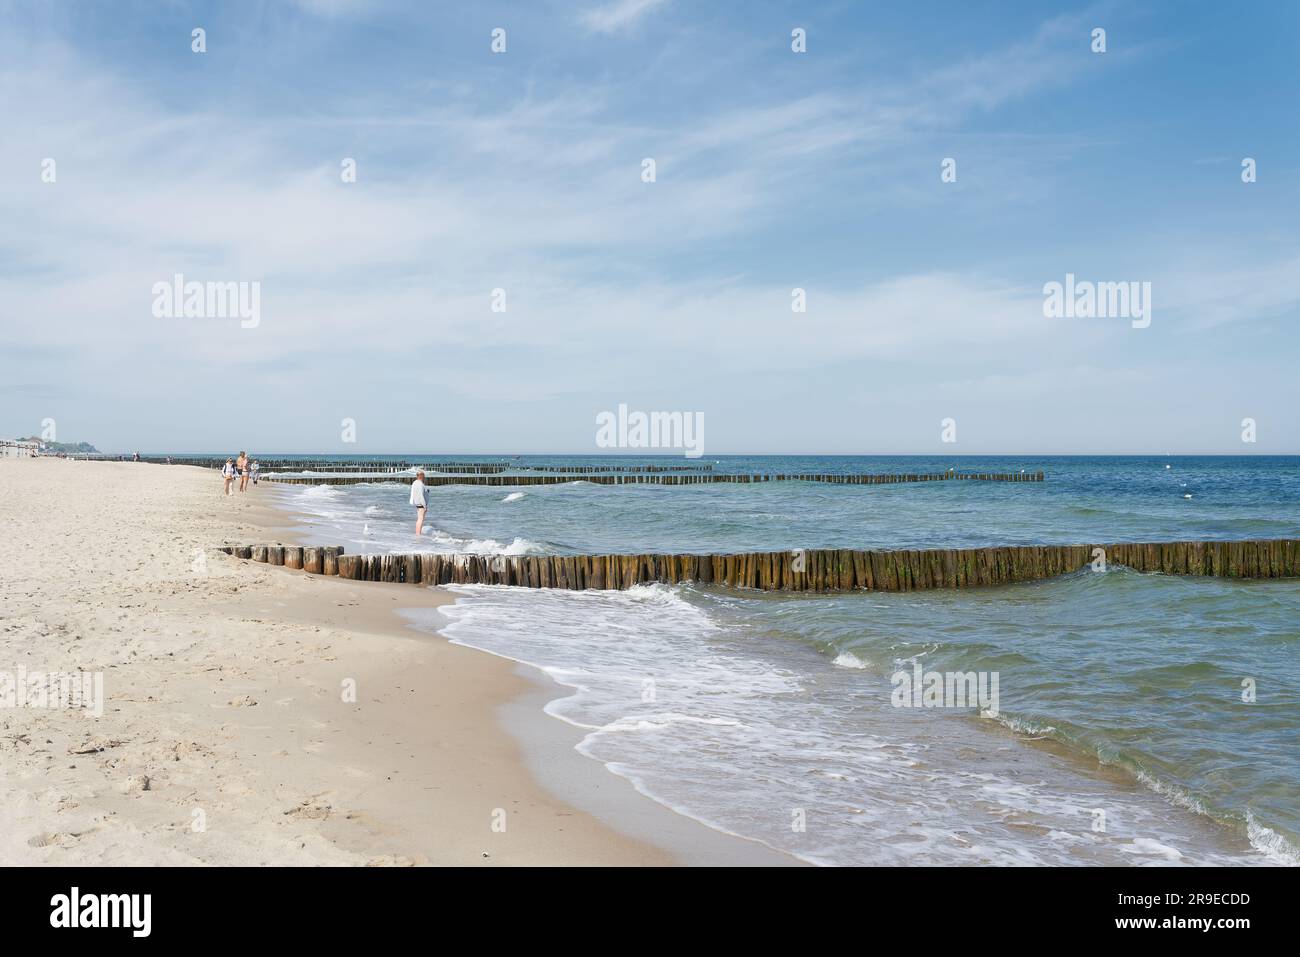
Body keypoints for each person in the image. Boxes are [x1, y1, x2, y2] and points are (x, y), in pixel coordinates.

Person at [410, 469, 427, 535]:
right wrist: (425, 506)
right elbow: (421, 495)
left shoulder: (414, 482)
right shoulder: (420, 484)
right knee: (420, 520)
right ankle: (418, 534)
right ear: (421, 476)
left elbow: (414, 493)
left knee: (419, 519)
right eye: (424, 475)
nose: (424, 477)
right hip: (421, 504)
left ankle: (417, 533)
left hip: (417, 503)